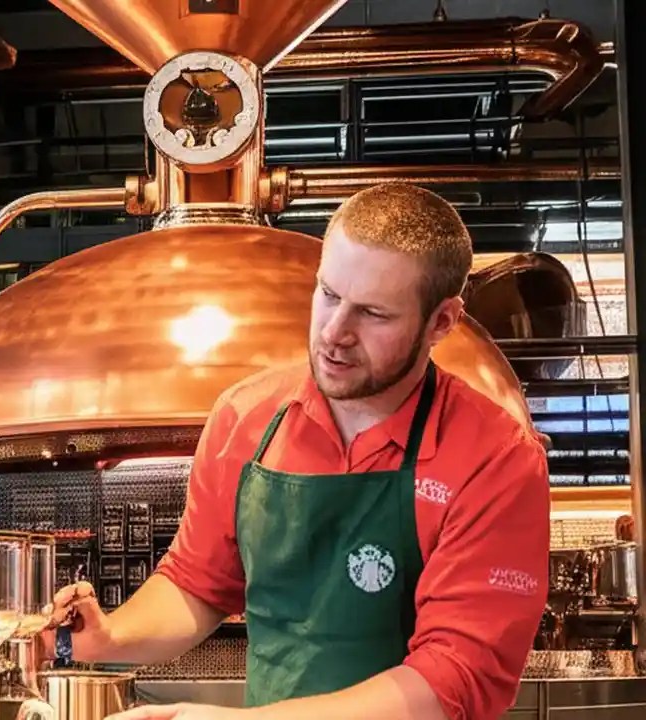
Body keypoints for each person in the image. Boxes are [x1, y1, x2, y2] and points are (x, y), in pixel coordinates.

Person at [47, 183, 551, 720]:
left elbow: (456, 677)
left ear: (442, 322)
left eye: (374, 314)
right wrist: (108, 636)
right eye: (329, 294)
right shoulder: (246, 417)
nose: (335, 333)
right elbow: (198, 584)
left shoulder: (496, 456)